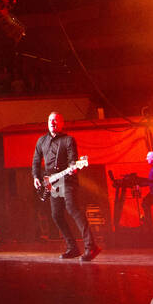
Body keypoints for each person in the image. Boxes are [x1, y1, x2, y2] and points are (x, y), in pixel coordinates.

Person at [31, 112, 100, 261]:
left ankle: (91, 247)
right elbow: (36, 161)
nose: (52, 122)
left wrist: (72, 167)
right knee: (56, 215)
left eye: (56, 120)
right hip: (52, 182)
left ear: (62, 124)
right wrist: (36, 177)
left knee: (72, 209)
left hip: (67, 180)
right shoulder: (41, 141)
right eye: (50, 120)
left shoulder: (68, 140)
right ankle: (73, 248)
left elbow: (73, 160)